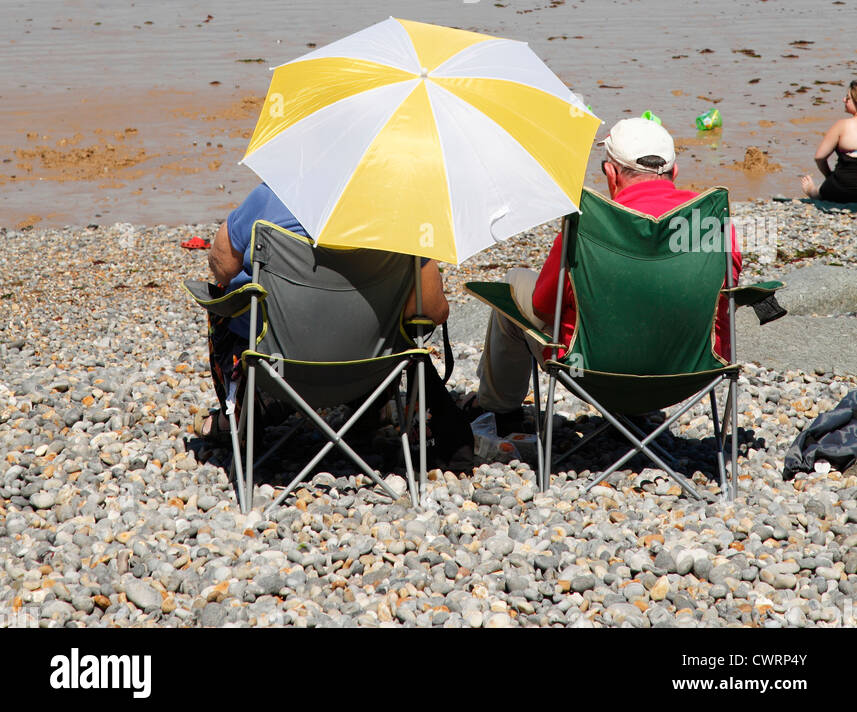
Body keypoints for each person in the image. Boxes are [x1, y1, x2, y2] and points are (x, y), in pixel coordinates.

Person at [473, 116, 742, 431]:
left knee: (516, 282)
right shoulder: (713, 225)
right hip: (689, 375)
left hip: (592, 373)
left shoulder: (588, 225)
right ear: (675, 172)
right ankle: (637, 414)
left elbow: (544, 306)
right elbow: (723, 303)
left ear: (611, 173)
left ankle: (500, 413)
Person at [197, 180, 463, 459]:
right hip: (371, 370)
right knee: (397, 318)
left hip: (276, 367)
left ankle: (238, 416)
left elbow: (223, 266)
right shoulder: (400, 208)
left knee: (221, 303)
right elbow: (434, 311)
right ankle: (371, 409)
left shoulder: (274, 193)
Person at [801, 82, 857, 203]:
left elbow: (819, 158)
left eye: (847, 97)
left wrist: (828, 176)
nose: (843, 100)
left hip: (841, 190)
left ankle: (814, 192)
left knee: (825, 190)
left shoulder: (842, 126)